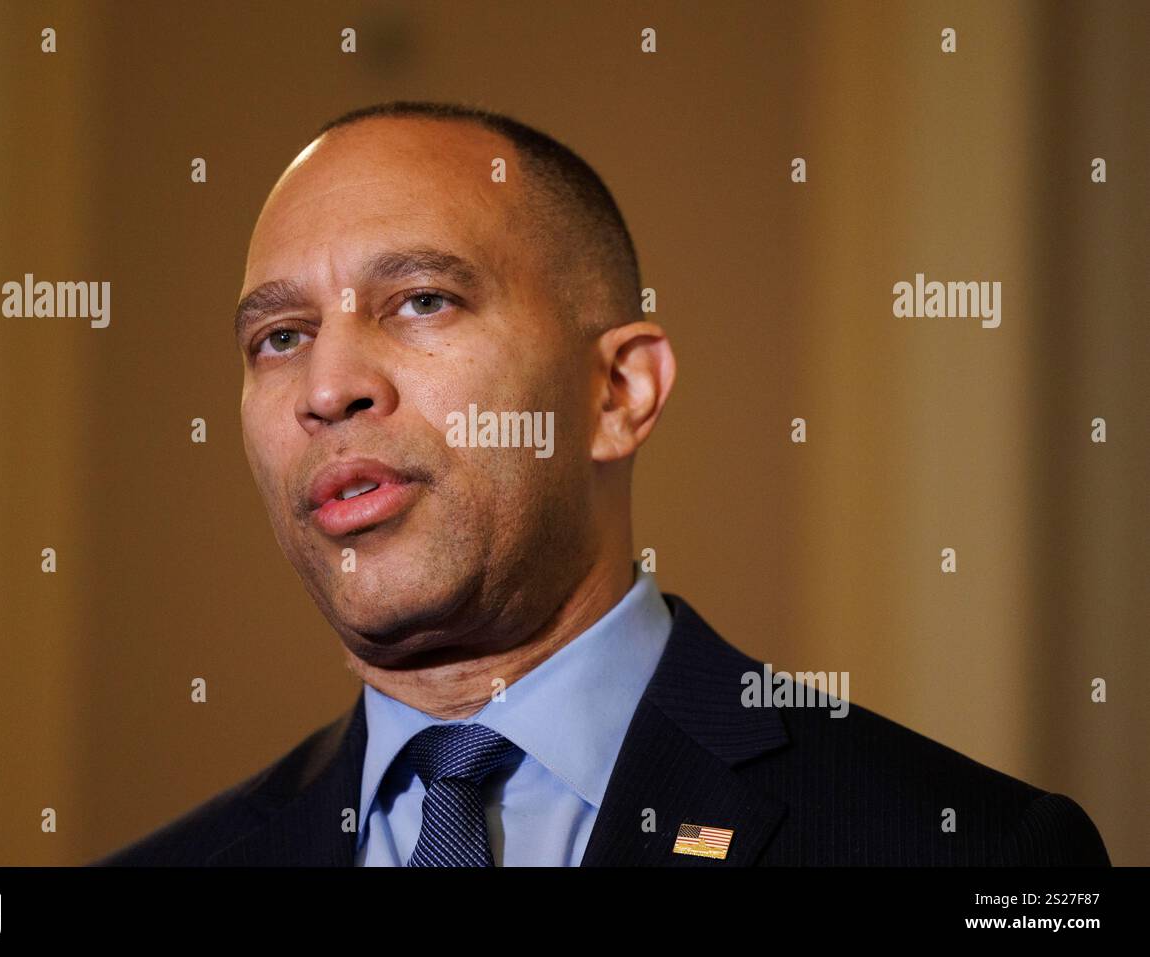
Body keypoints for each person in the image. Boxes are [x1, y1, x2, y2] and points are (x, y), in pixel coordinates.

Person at [95, 101, 1109, 866]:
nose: (328, 387)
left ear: (618, 391)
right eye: (279, 337)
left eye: (420, 301)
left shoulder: (966, 851)